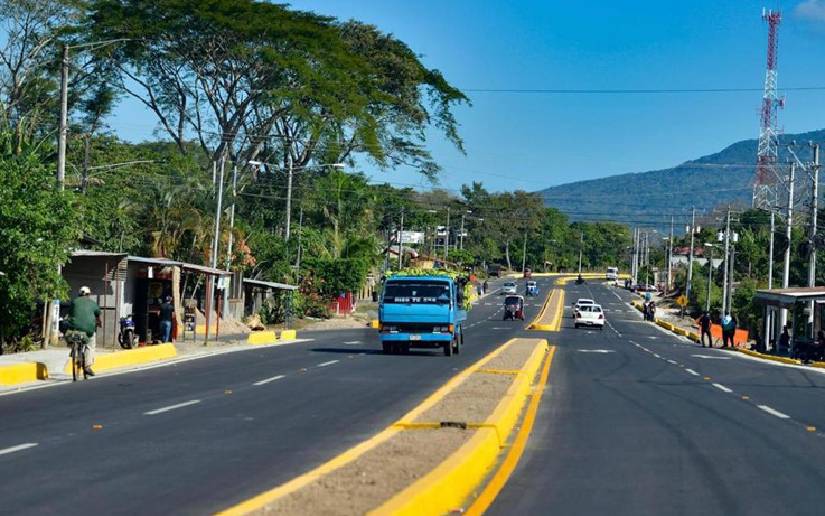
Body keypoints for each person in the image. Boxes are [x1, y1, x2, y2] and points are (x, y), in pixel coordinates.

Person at [66, 286, 101, 376]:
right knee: (90, 344)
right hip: (88, 329)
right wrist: (98, 321)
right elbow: (98, 312)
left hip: (75, 328)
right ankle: (87, 367)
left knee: (73, 334)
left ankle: (73, 349)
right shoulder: (92, 303)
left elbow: (70, 313)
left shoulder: (74, 301)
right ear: (88, 294)